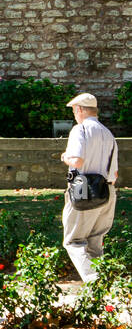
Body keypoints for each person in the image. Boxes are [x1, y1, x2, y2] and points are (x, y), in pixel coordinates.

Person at [60, 93, 119, 282]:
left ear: (79, 110)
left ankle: (94, 281)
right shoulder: (108, 133)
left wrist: (65, 157)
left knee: (73, 241)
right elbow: (115, 174)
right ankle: (104, 284)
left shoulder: (80, 130)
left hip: (83, 190)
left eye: (74, 111)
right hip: (107, 192)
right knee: (95, 241)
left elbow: (76, 161)